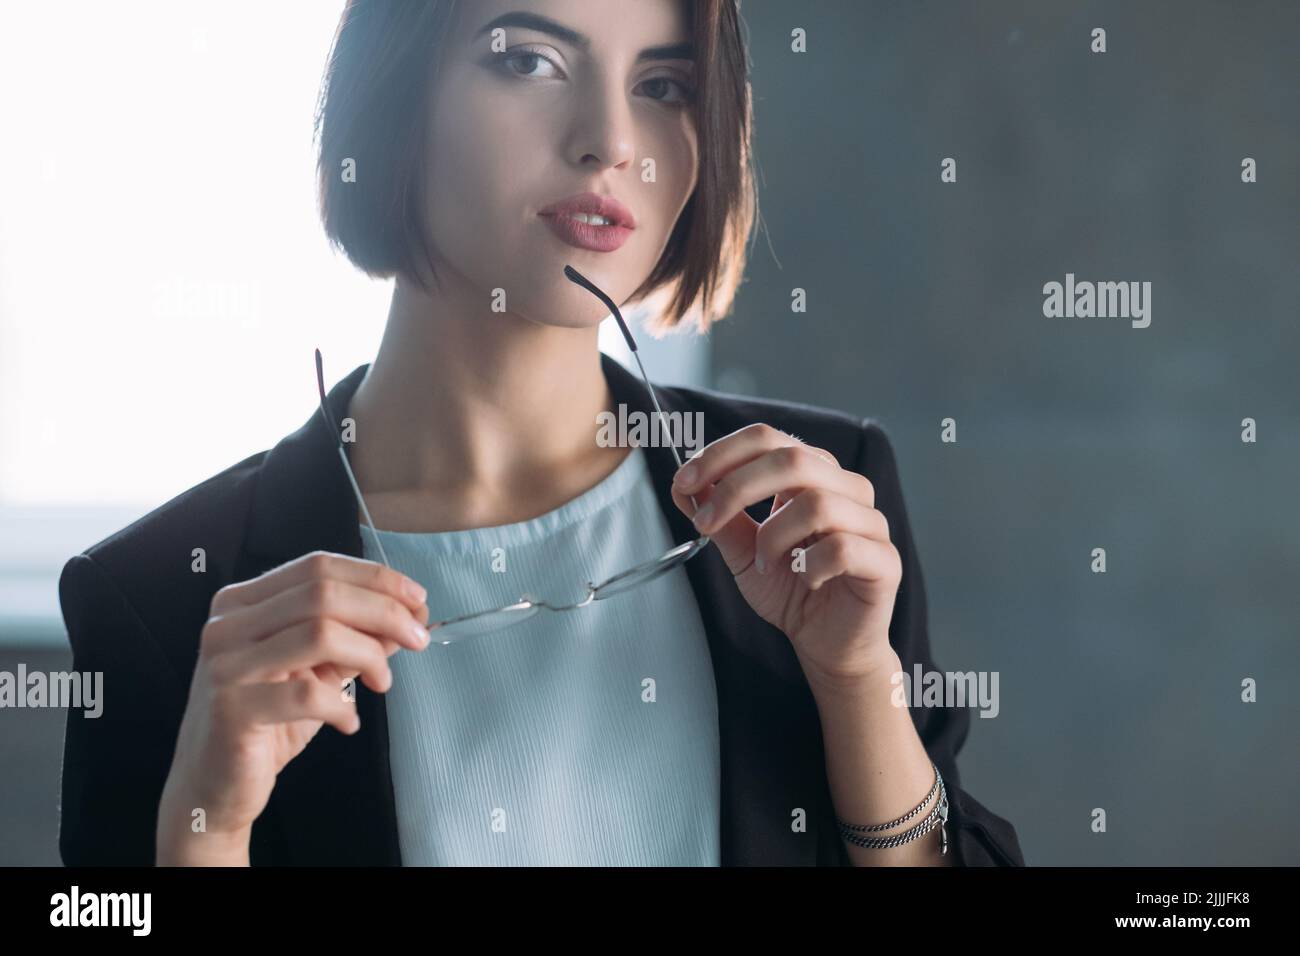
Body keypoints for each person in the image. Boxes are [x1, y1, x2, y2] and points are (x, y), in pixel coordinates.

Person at [57, 0, 1023, 867]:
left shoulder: (818, 507)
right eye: (527, 60)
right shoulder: (159, 600)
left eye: (663, 85)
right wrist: (205, 841)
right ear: (392, 91)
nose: (611, 141)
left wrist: (858, 685)